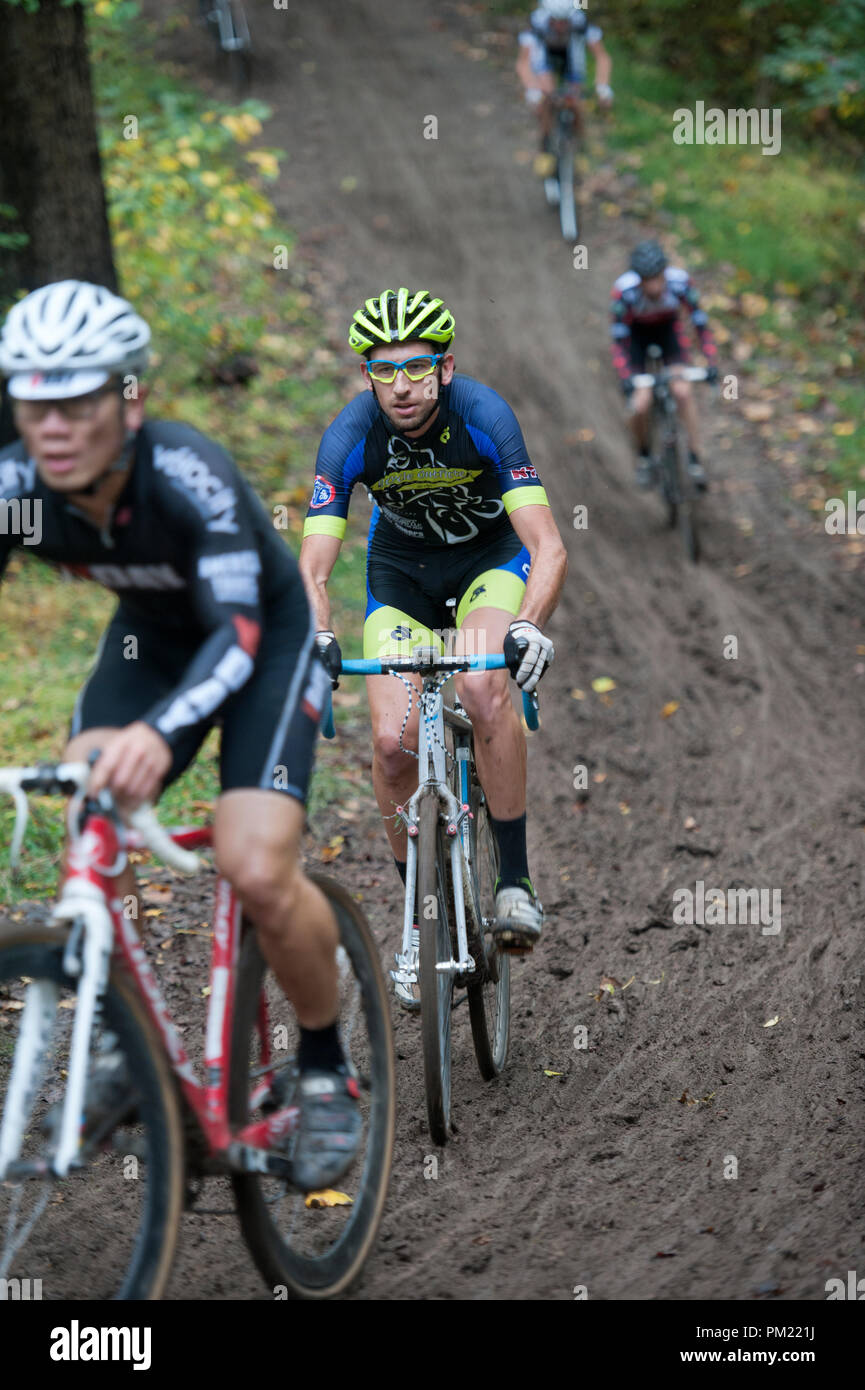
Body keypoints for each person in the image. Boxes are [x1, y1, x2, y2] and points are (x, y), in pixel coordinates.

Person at [0, 280, 359, 1191]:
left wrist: (163, 734)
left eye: (79, 401)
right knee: (91, 806)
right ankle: (128, 1048)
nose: (53, 427)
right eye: (34, 402)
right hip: (151, 645)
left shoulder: (186, 474)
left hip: (263, 642)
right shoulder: (15, 489)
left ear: (131, 400)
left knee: (255, 865)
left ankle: (323, 1071)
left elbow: (237, 635)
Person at [299, 288, 567, 1009]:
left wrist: (529, 624)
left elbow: (546, 545)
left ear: (444, 370)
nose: (402, 386)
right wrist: (317, 634)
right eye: (383, 371)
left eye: (417, 368)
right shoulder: (350, 434)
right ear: (367, 377)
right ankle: (424, 922)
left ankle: (512, 883)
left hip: (489, 565)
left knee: (482, 688)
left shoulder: (483, 417)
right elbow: (314, 564)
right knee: (391, 743)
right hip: (402, 580)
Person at [610, 240, 719, 490]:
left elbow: (700, 323)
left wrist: (711, 362)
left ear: (664, 273)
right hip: (636, 339)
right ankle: (645, 456)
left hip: (668, 333)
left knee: (682, 391)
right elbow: (618, 340)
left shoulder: (680, 282)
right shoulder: (623, 292)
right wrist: (626, 376)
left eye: (658, 278)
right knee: (641, 403)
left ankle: (694, 457)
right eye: (648, 280)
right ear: (638, 279)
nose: (654, 285)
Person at [516, 0, 613, 176]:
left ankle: (579, 149)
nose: (560, 26)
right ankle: (545, 150)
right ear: (548, 18)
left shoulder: (579, 23)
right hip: (546, 56)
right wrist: (532, 89)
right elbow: (524, 63)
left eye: (564, 22)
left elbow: (602, 57)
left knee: (576, 102)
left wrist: (603, 86)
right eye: (556, 21)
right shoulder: (537, 24)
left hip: (571, 56)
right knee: (546, 95)